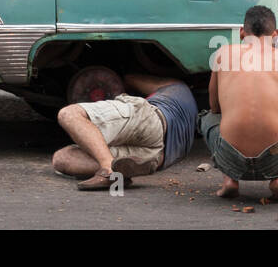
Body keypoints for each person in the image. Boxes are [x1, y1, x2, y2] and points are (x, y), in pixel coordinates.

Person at [200, 5, 278, 202]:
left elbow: (215, 108)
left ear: (241, 32)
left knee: (207, 118)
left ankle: (229, 179)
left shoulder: (222, 54)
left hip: (230, 157)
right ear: (276, 35)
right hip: (276, 159)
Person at [51, 74, 198, 190]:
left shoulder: (176, 87)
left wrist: (122, 79)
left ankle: (109, 170)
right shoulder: (189, 116)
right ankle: (122, 169)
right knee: (61, 159)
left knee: (69, 114)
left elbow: (131, 79)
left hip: (152, 120)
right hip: (159, 157)